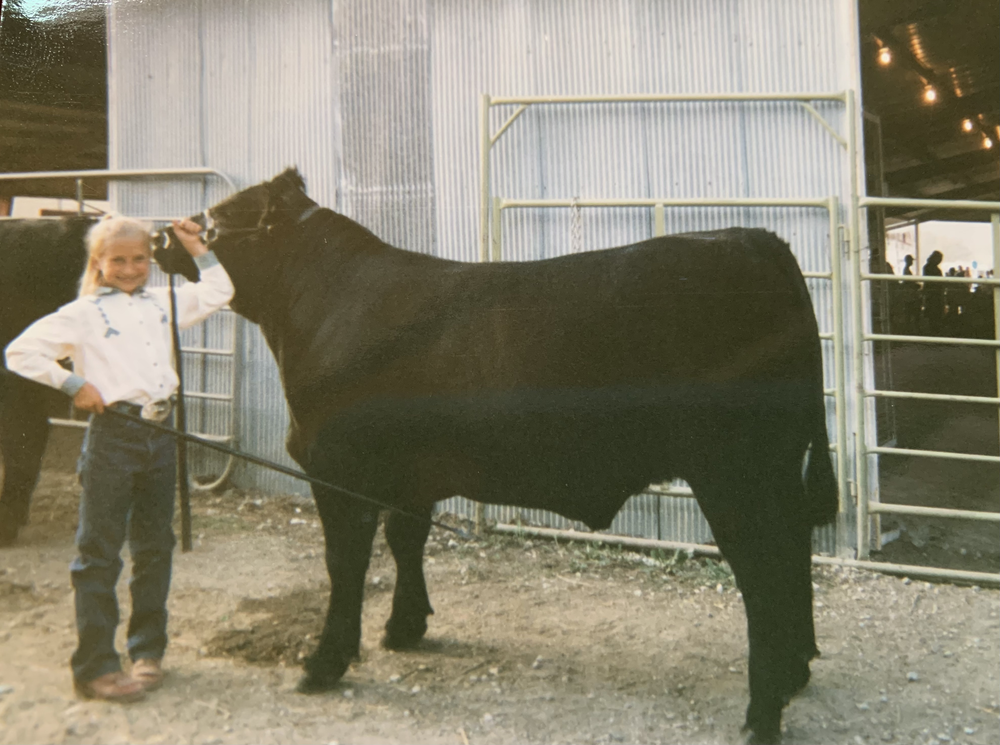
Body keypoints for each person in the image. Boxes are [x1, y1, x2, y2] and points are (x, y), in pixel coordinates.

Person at [4, 215, 233, 703]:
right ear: (98, 263)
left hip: (160, 435)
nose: (130, 269)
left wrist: (197, 248)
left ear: (151, 261)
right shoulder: (81, 313)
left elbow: (218, 292)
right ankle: (95, 667)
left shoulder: (163, 302)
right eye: (119, 260)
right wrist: (73, 383)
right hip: (113, 437)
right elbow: (20, 353)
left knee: (155, 546)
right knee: (99, 553)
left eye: (139, 259)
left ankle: (147, 651)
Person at [921, 250, 945, 335]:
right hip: (935, 294)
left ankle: (933, 331)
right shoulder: (933, 269)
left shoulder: (927, 267)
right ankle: (935, 332)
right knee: (935, 314)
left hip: (932, 294)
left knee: (933, 315)